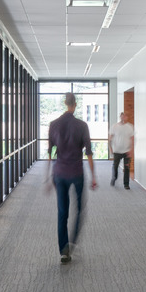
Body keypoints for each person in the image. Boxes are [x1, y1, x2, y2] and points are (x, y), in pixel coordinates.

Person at [46, 93, 97, 263]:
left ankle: (63, 250)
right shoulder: (82, 125)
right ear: (74, 105)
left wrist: (47, 177)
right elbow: (88, 153)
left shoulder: (54, 125)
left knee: (62, 212)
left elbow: (50, 154)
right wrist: (94, 176)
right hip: (76, 173)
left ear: (65, 103)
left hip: (59, 173)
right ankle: (73, 241)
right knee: (80, 209)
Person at [108, 111, 135, 189]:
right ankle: (114, 178)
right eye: (122, 116)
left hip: (127, 151)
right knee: (115, 166)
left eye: (125, 116)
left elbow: (132, 139)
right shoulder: (114, 126)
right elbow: (110, 139)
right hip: (117, 150)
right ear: (120, 117)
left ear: (127, 117)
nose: (123, 117)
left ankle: (126, 184)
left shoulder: (130, 127)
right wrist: (110, 148)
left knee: (127, 167)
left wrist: (131, 151)